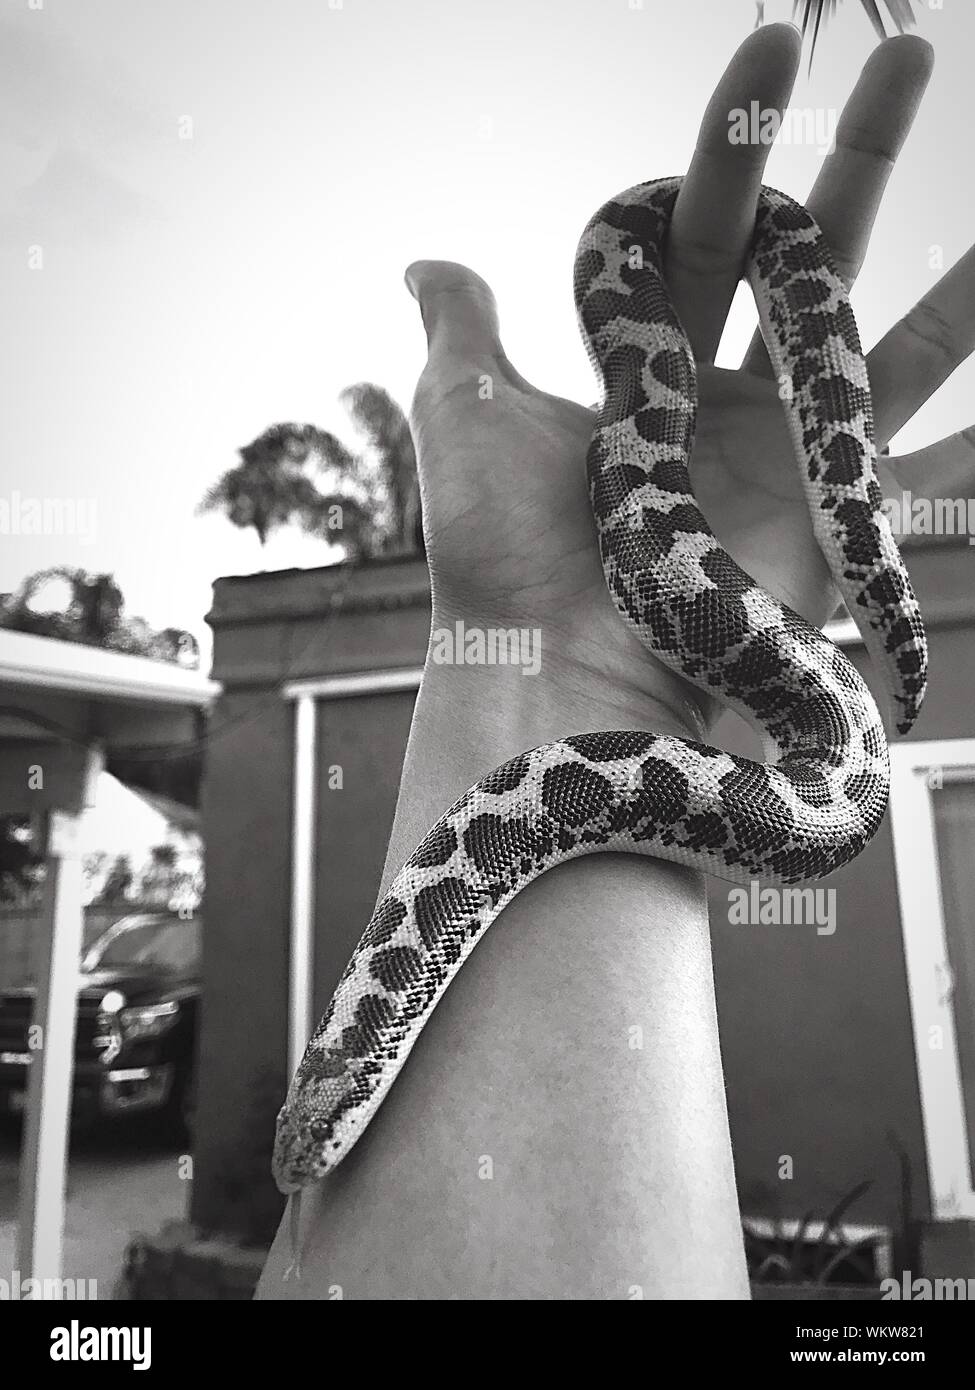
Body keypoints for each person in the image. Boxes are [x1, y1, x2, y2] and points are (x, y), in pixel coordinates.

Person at [258, 23, 973, 1299]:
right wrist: (569, 664)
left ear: (356, 1067)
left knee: (834, 658)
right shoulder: (415, 945)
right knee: (834, 748)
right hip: (717, 704)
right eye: (320, 1141)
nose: (314, 1157)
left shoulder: (429, 934)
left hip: (701, 638)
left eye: (320, 1132)